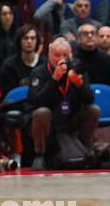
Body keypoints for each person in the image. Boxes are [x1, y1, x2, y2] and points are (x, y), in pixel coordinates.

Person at [26, 37, 100, 171]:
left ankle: (87, 149)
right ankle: (40, 155)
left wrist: (79, 84)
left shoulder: (77, 70)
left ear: (70, 55)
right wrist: (54, 79)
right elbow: (36, 102)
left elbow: (90, 99)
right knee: (42, 112)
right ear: (49, 55)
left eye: (65, 55)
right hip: (49, 121)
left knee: (93, 110)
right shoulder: (39, 73)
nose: (61, 59)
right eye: (57, 55)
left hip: (70, 119)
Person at [72, 22, 110, 93]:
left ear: (97, 37)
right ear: (79, 39)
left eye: (93, 33)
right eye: (85, 34)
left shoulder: (108, 60)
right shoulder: (73, 60)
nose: (89, 36)